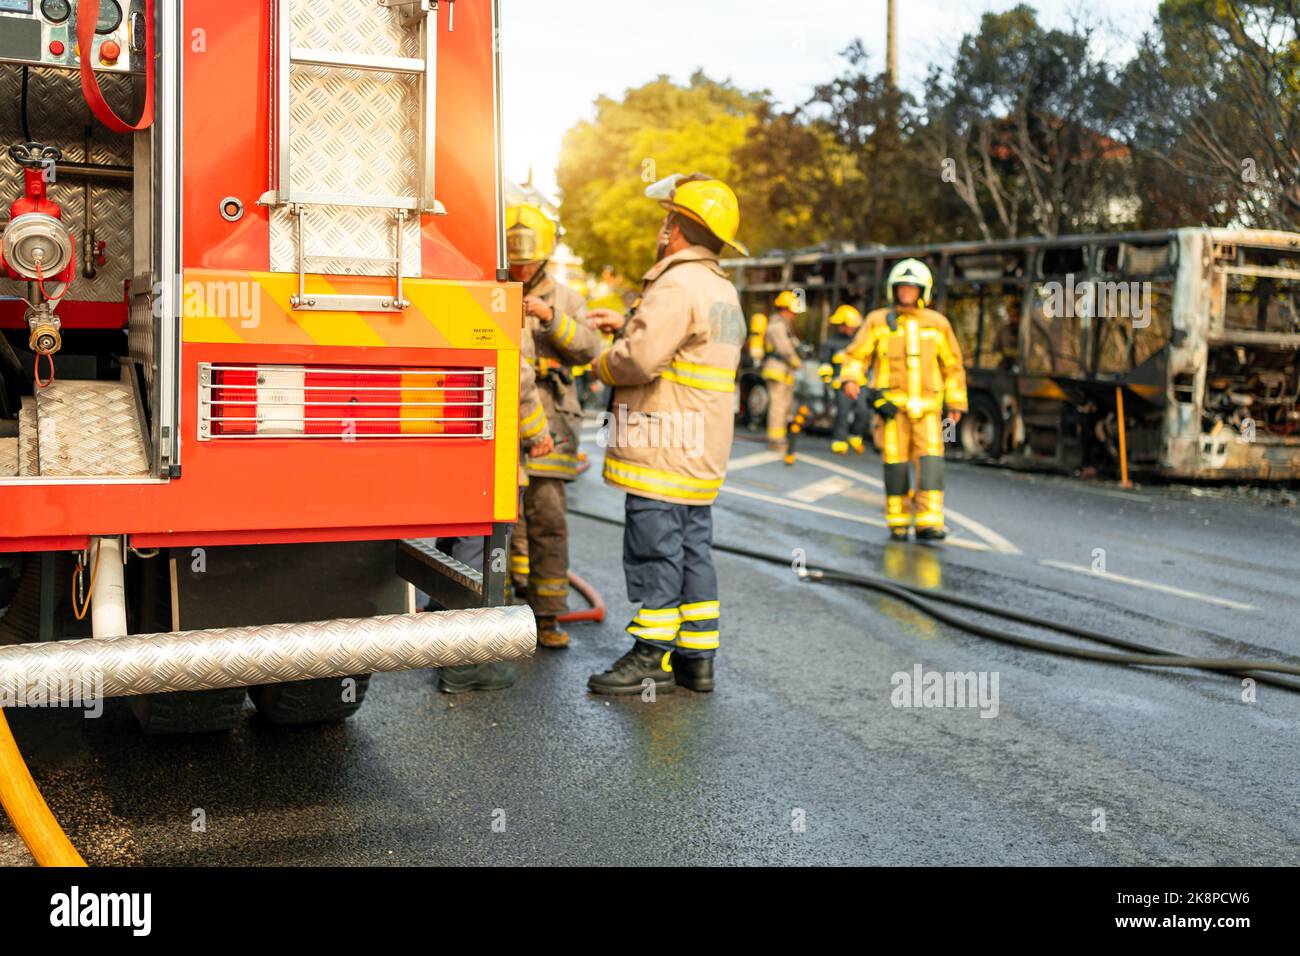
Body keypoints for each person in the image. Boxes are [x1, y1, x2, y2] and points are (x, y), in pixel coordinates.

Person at [584, 173, 747, 695]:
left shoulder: (676, 284)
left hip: (662, 442)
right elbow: (683, 347)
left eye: (667, 217)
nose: (662, 225)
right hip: (699, 446)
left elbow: (641, 359)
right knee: (694, 547)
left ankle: (652, 655)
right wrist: (631, 319)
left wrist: (601, 363)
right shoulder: (721, 289)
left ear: (678, 227)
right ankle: (697, 660)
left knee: (655, 546)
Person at [504, 202, 602, 648]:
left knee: (547, 519)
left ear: (543, 256)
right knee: (508, 521)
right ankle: (509, 606)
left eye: (528, 260)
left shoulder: (566, 298)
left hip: (553, 423)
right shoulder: (495, 286)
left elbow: (588, 348)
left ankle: (546, 617)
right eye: (514, 259)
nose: (520, 267)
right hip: (509, 421)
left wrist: (550, 319)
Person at [435, 339, 552, 692]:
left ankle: (442, 637)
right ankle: (470, 661)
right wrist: (538, 433)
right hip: (492, 449)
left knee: (456, 539)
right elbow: (520, 378)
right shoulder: (501, 305)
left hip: (450, 442)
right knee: (482, 550)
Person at [842, 259, 967, 541]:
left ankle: (928, 521)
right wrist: (851, 379)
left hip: (928, 412)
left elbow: (953, 366)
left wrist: (956, 403)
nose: (907, 292)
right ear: (893, 290)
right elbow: (856, 355)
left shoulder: (938, 324)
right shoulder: (877, 321)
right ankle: (898, 521)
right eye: (903, 287)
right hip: (892, 411)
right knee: (896, 465)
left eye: (913, 287)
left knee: (931, 466)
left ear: (923, 290)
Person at [819, 304, 871, 455]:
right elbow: (824, 363)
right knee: (842, 412)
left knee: (863, 411)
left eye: (853, 326)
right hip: (840, 385)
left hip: (860, 383)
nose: (851, 329)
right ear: (840, 325)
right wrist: (827, 380)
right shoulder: (831, 343)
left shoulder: (858, 342)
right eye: (849, 326)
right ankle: (839, 441)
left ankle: (855, 436)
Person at [762, 291, 804, 452]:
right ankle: (775, 440)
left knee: (785, 404)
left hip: (784, 371)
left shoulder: (784, 326)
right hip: (776, 369)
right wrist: (796, 362)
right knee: (778, 406)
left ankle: (780, 437)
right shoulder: (777, 326)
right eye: (792, 311)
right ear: (785, 309)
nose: (794, 315)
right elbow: (785, 349)